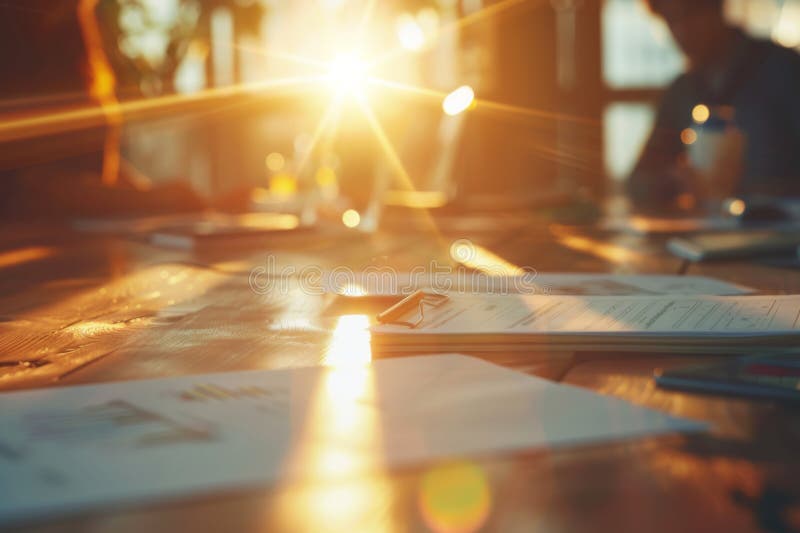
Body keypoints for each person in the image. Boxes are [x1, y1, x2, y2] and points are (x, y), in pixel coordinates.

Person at [0, 0, 246, 219]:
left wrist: (203, 207)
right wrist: (154, 200)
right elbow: (29, 189)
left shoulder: (73, 30)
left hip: (87, 247)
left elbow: (92, 165)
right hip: (36, 256)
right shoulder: (13, 34)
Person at [627, 0, 800, 212]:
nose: (681, 31)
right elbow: (637, 182)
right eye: (670, 20)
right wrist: (674, 182)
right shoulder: (681, 91)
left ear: (716, 8)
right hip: (706, 236)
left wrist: (755, 190)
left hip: (782, 239)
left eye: (689, 15)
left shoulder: (784, 70)